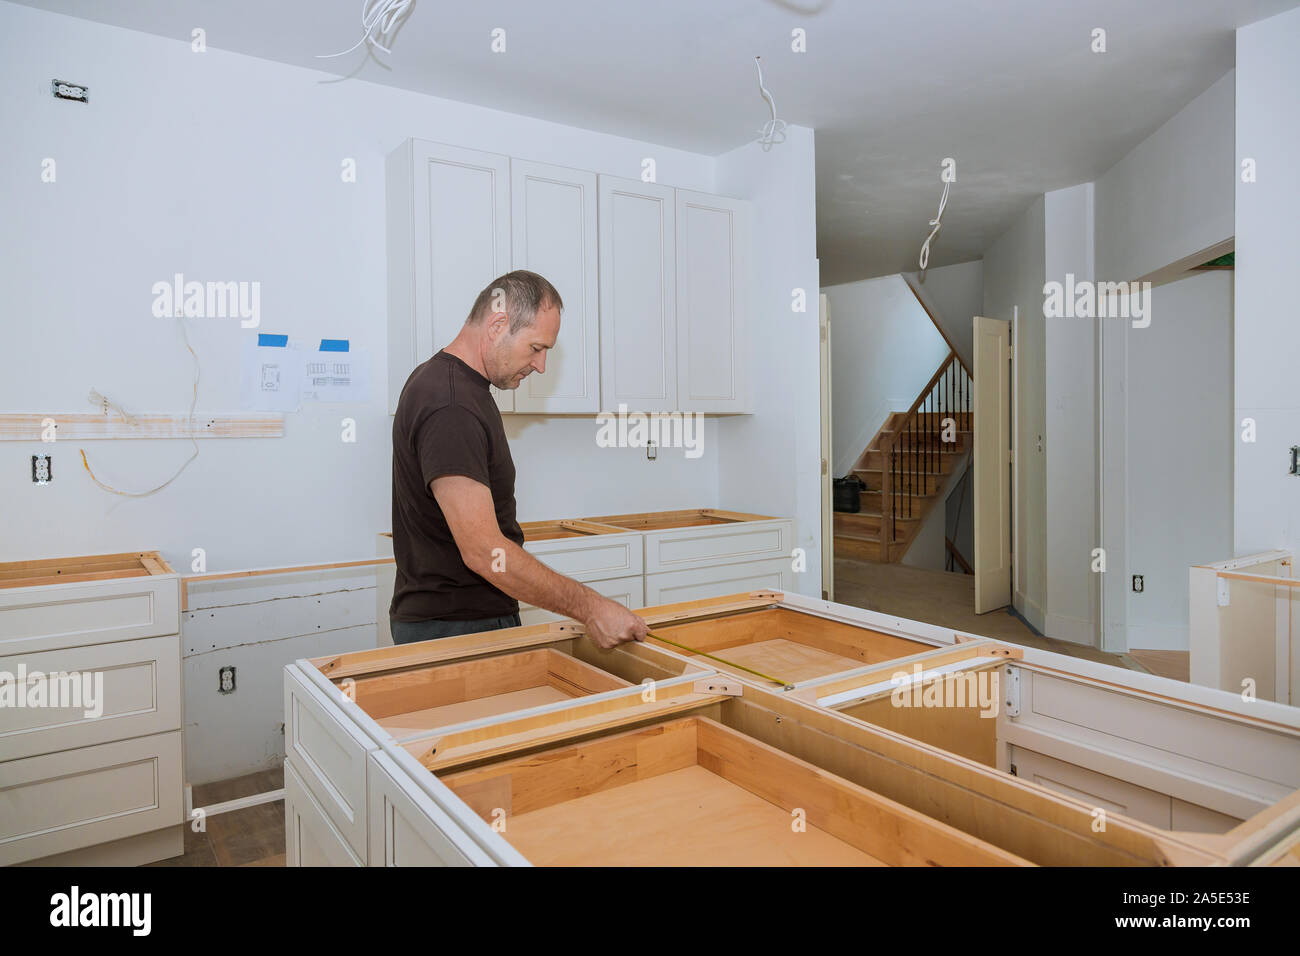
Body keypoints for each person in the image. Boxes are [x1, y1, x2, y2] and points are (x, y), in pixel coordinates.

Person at [389, 270, 649, 649]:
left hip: (455, 623)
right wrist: (591, 608)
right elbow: (484, 551)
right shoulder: (451, 405)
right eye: (536, 348)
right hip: (458, 631)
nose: (541, 366)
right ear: (497, 324)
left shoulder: (448, 385)